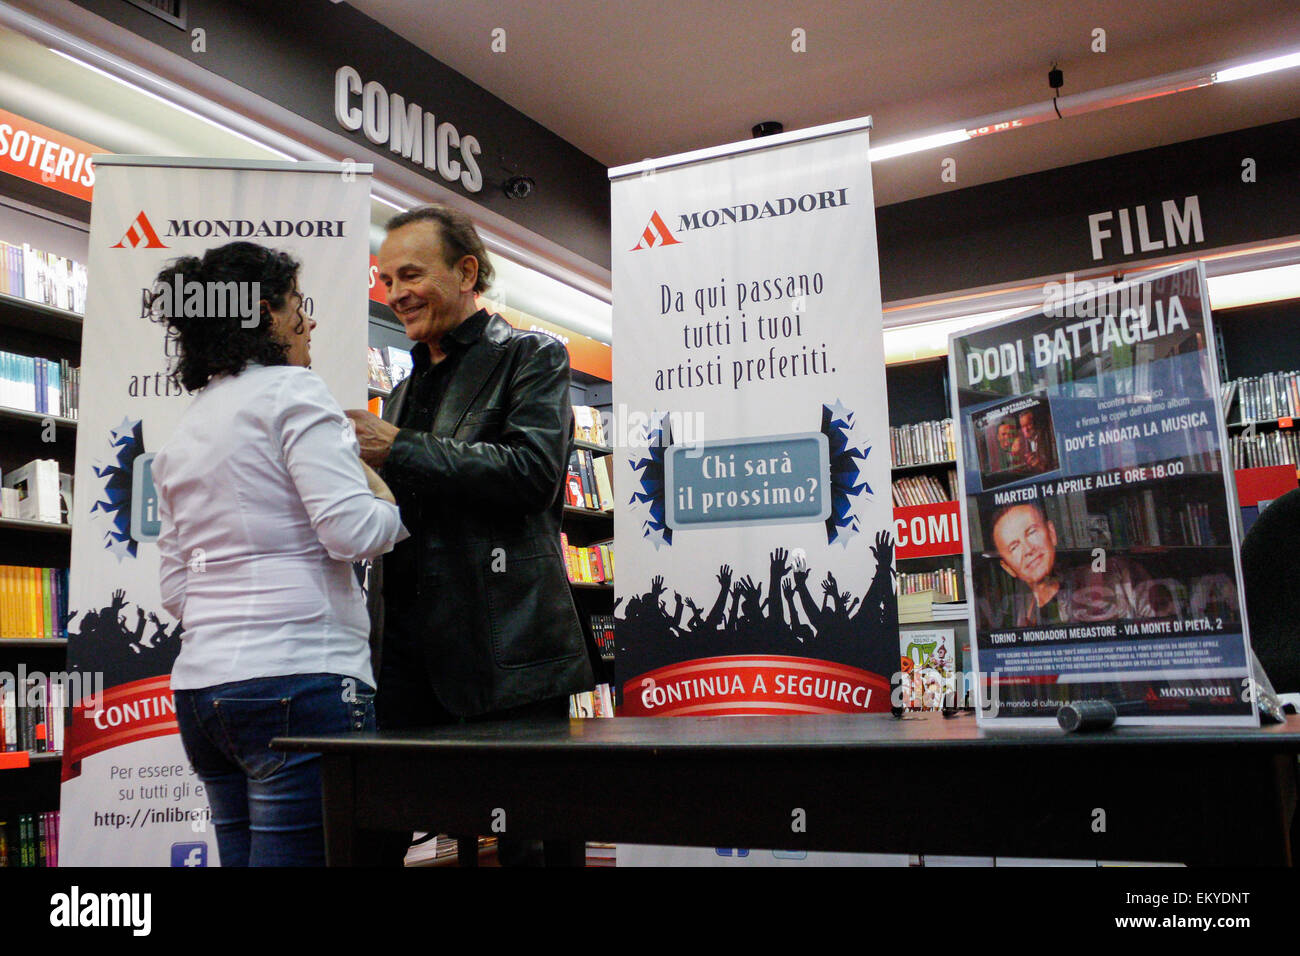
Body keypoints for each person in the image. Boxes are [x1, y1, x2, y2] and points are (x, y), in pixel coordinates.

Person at [345, 204, 593, 867]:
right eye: (386, 278)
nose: (395, 293)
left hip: (506, 664)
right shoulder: (398, 396)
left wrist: (398, 450)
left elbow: (532, 475)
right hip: (404, 667)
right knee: (370, 832)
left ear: (466, 271)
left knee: (531, 849)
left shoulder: (531, 356)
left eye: (410, 274)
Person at [151, 241, 406, 867]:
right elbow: (351, 532)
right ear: (266, 313)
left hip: (203, 693)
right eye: (298, 305)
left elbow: (177, 593)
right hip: (303, 679)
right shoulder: (295, 390)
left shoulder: (186, 428)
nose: (309, 321)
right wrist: (390, 501)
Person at [989, 501, 1166, 626]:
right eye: (1014, 547)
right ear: (1007, 568)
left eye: (1031, 532)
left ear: (1051, 533)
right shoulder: (1017, 617)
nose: (1028, 549)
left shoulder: (1119, 574)